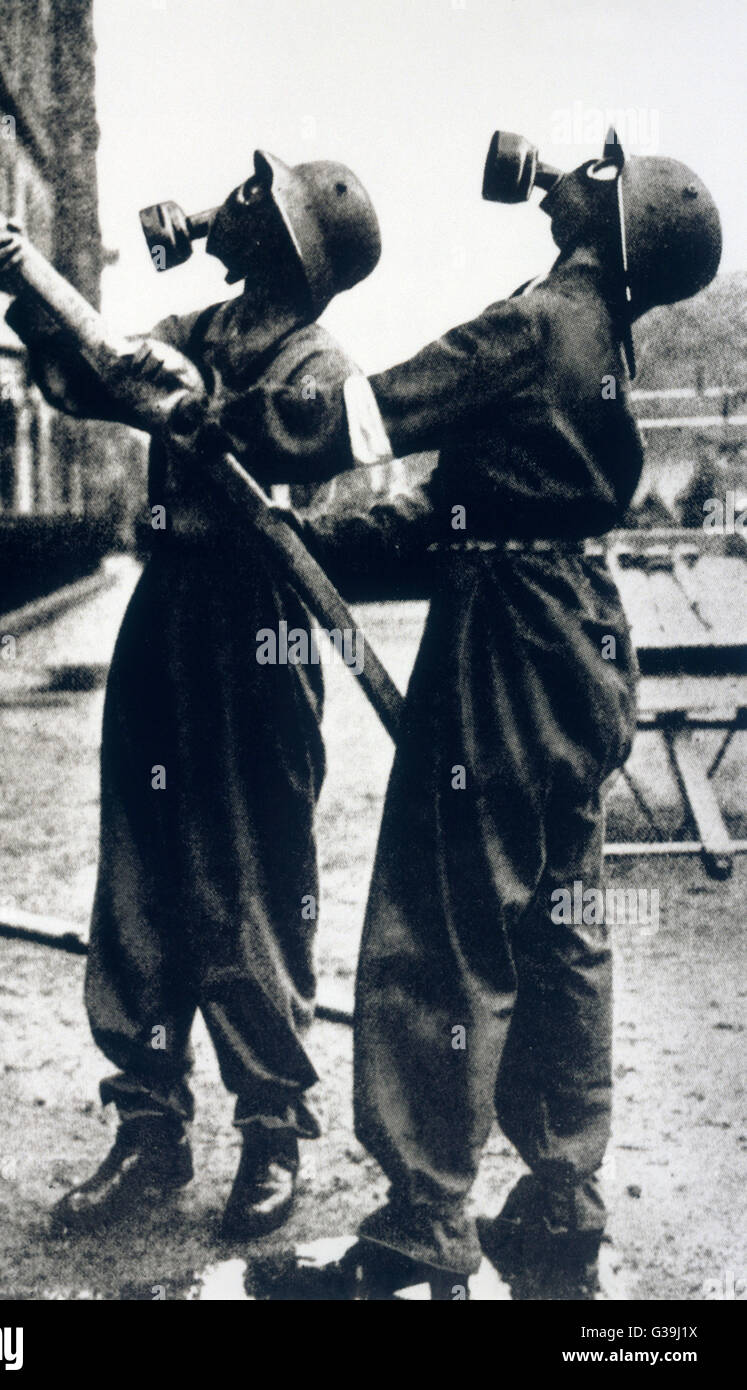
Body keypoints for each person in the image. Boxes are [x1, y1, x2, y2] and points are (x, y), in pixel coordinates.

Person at [291, 137, 721, 1299]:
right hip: (575, 630)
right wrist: (326, 541)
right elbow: (467, 504)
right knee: (558, 922)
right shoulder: (603, 338)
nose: (568, 169)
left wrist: (242, 422)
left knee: (443, 926)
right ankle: (559, 1198)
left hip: (507, 637)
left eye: (597, 171)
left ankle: (424, 1217)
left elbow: (371, 413)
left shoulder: (539, 323)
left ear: (611, 221)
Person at [0, 149, 381, 1240]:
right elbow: (102, 376)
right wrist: (32, 294)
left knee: (250, 878)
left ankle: (270, 1131)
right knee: (142, 875)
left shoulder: (315, 361)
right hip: (170, 618)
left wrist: (189, 404)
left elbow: (245, 431)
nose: (231, 205)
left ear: (292, 247)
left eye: (260, 200)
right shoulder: (207, 326)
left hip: (257, 619)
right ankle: (149, 1128)